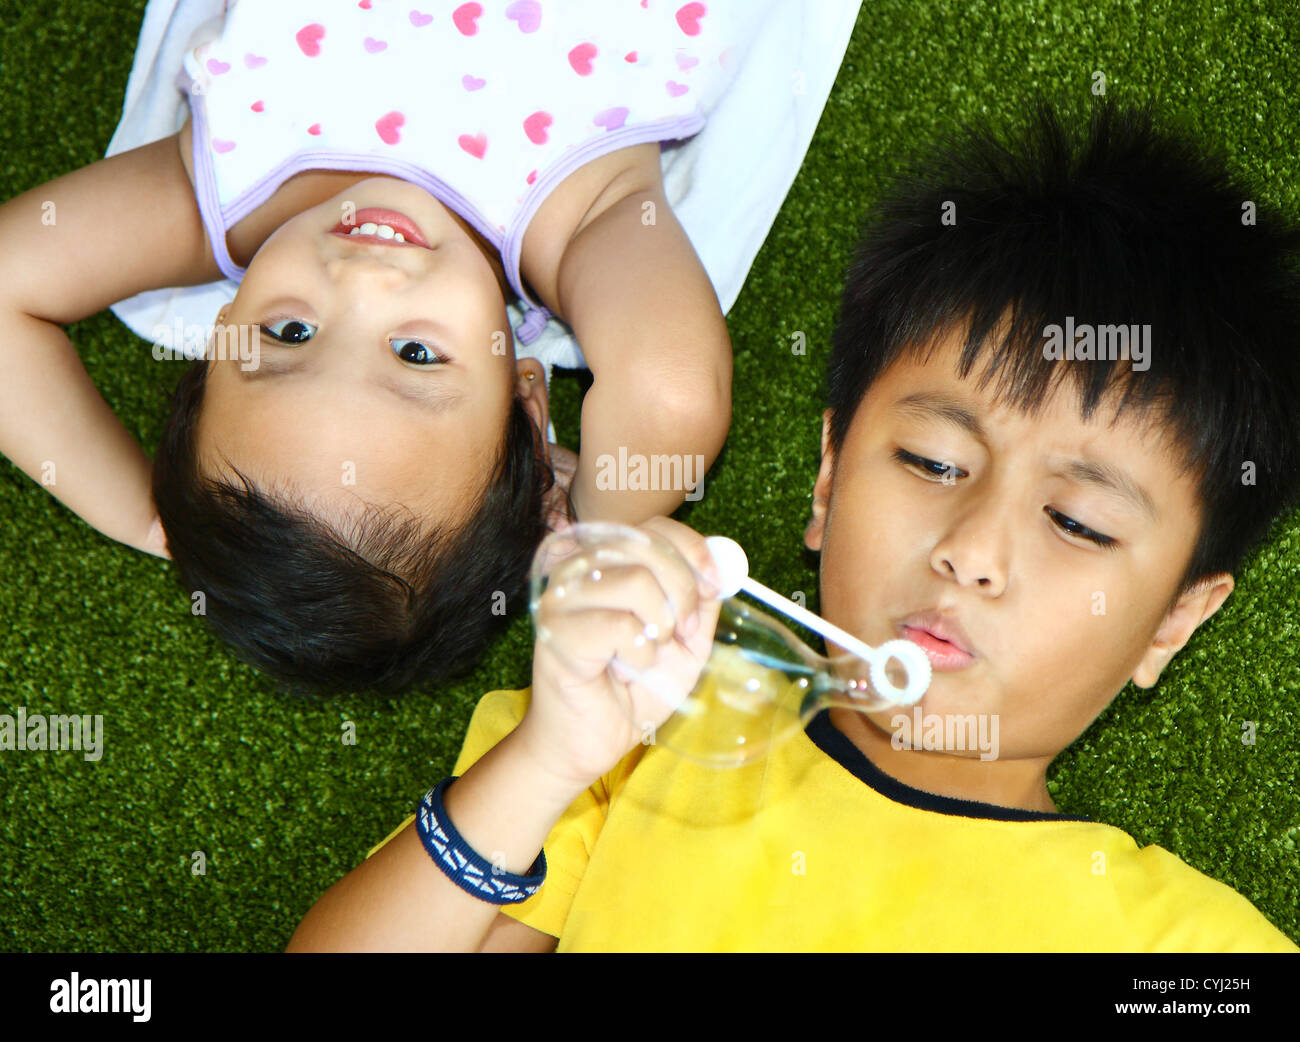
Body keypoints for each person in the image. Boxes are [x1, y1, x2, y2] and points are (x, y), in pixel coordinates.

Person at [287, 100, 1300, 951]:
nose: (972, 551)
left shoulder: (1183, 951)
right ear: (825, 479)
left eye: (1077, 522)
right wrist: (550, 761)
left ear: (1173, 621)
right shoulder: (624, 744)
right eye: (932, 462)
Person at [0, 0, 749, 695]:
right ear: (525, 401)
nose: (361, 282)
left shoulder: (222, 191)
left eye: (289, 334)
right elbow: (670, 393)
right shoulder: (582, 214)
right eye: (416, 355)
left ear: (223, 328)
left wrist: (152, 518)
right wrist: (584, 523)